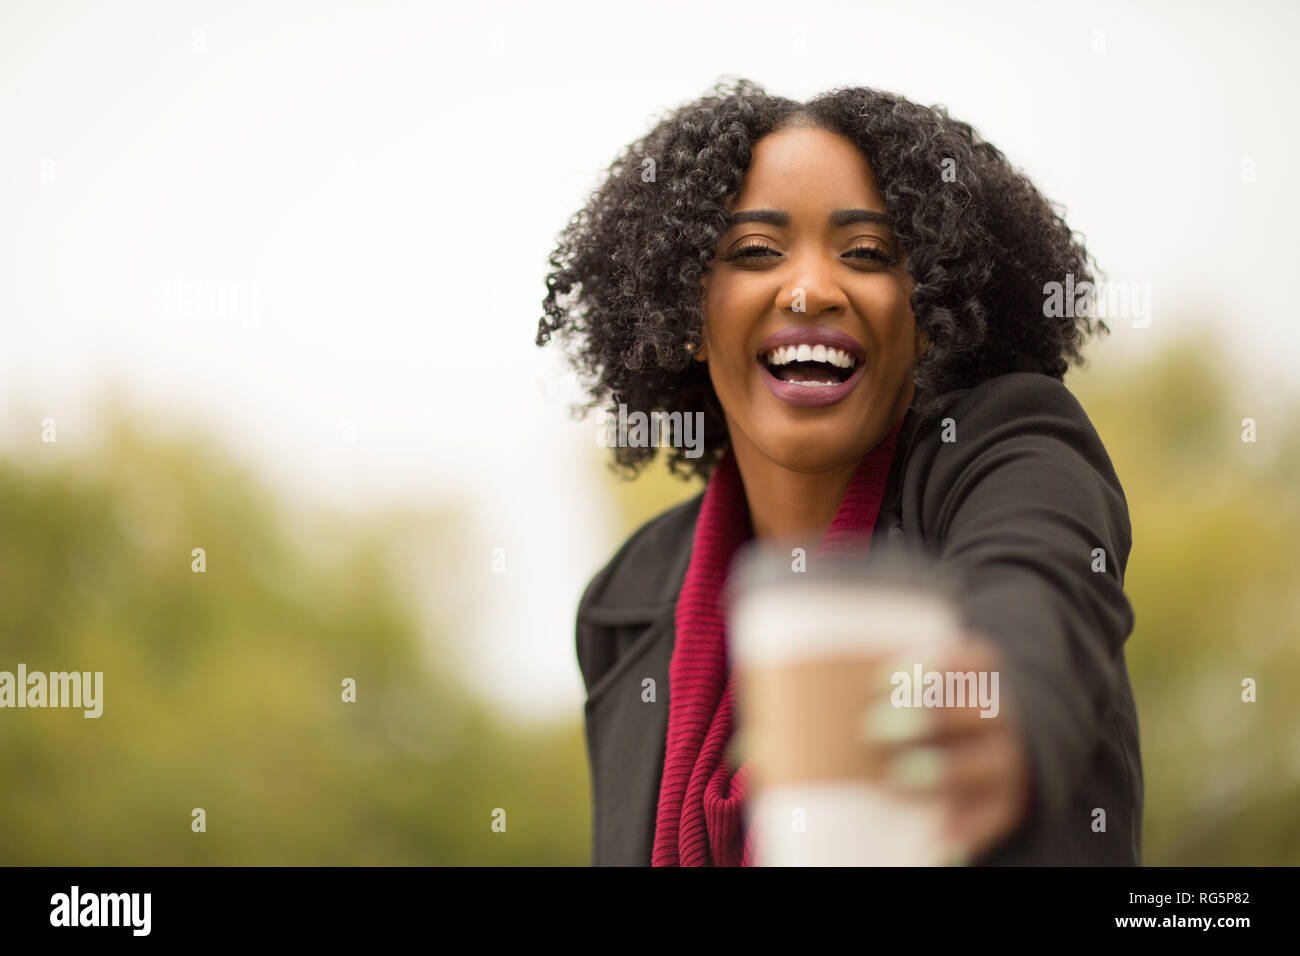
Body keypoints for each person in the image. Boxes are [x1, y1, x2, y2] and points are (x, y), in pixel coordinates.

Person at [536, 78, 1141, 866]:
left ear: (929, 316)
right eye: (755, 251)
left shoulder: (1007, 449)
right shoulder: (623, 604)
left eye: (867, 254)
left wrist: (1001, 699)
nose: (812, 289)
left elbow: (1039, 584)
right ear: (687, 313)